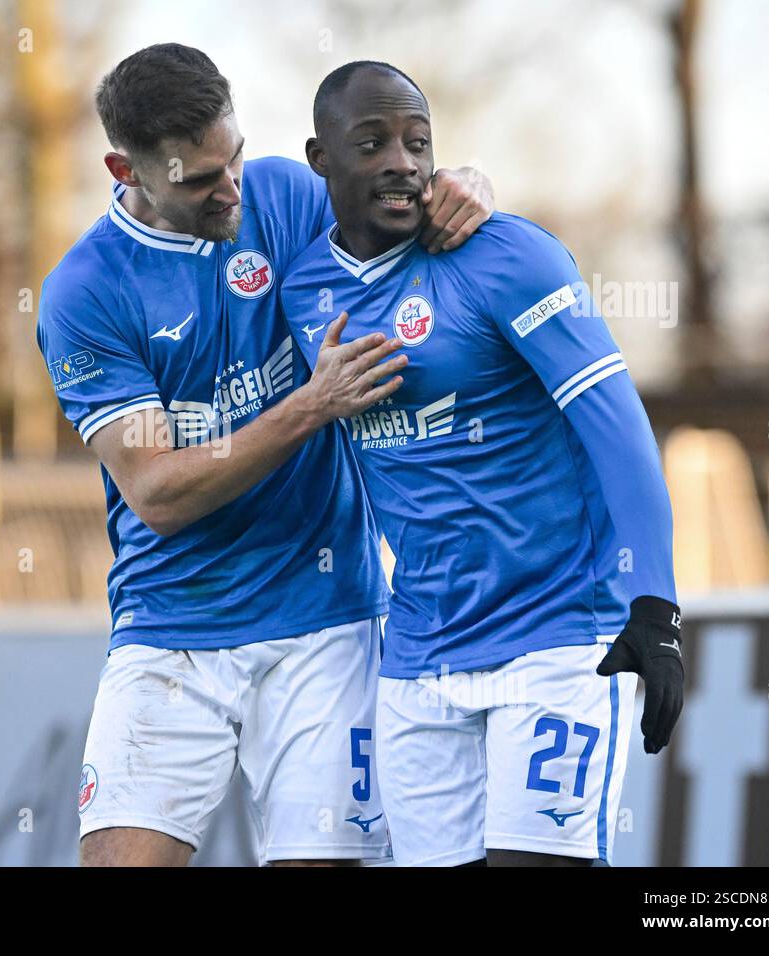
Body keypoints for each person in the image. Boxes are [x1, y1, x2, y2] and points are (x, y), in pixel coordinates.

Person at [36, 44, 494, 866]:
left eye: (234, 156)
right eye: (199, 179)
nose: (230, 189)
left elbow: (402, 204)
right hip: (174, 624)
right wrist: (311, 405)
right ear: (124, 167)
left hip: (327, 619)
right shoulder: (86, 293)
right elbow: (161, 492)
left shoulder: (284, 194)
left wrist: (469, 189)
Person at [280, 60, 683, 866]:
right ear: (320, 160)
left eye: (419, 142)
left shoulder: (509, 257)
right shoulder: (304, 288)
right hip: (419, 656)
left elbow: (618, 428)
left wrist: (657, 608)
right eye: (372, 142)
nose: (403, 160)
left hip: (558, 636)